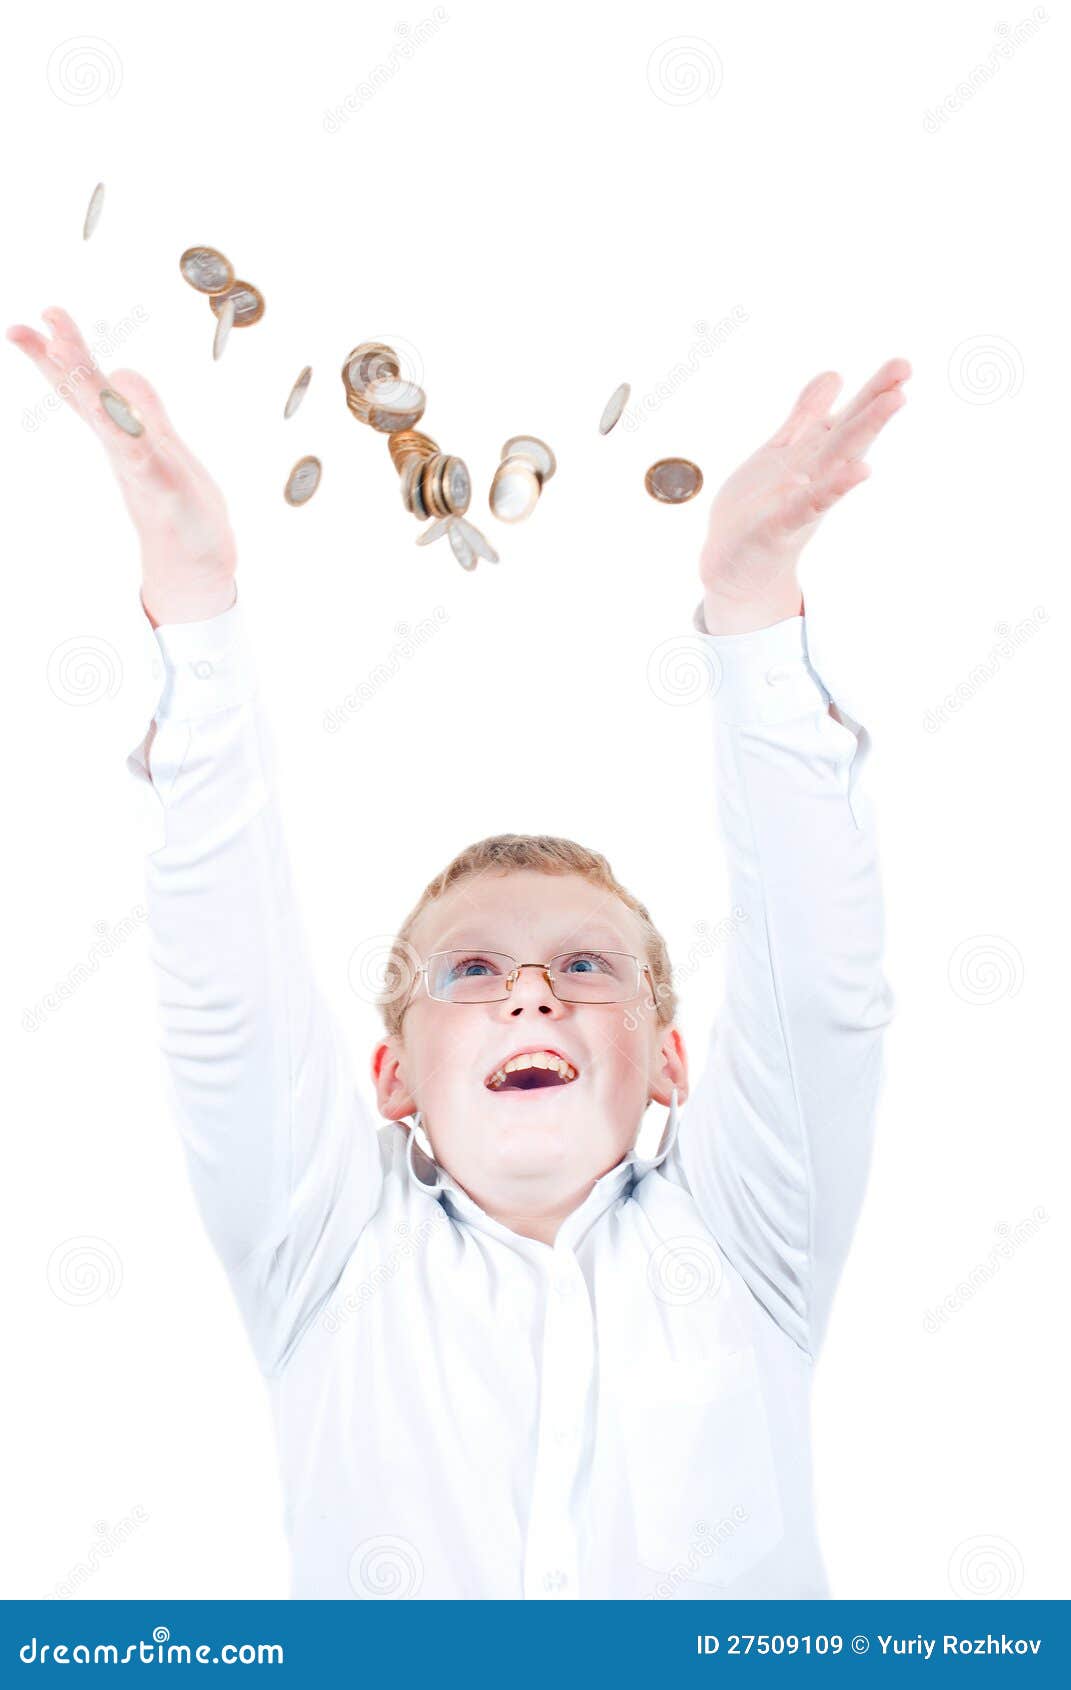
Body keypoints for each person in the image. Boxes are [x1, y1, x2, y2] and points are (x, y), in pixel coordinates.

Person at [9, 307, 909, 1598]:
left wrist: (754, 608)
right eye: (471, 972)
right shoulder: (323, 1248)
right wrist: (193, 601)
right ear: (390, 1079)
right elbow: (229, 996)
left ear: (669, 1060)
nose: (532, 988)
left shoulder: (751, 1235)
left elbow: (821, 986)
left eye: (587, 968)